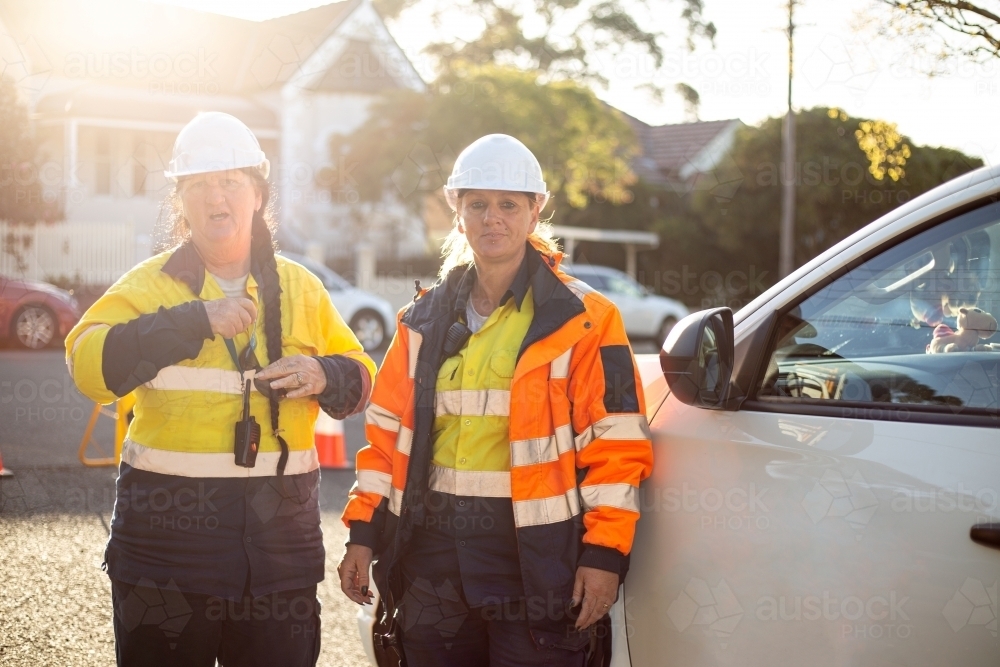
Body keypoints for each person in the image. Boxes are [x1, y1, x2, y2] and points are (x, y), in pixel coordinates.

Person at [65, 112, 376, 667]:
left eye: (231, 181)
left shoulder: (301, 286)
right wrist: (192, 321)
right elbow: (87, 366)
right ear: (180, 202)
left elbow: (362, 379)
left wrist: (327, 374)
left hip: (277, 556)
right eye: (200, 184)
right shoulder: (149, 283)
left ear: (257, 194)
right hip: (167, 554)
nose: (217, 197)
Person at [337, 134, 653, 666]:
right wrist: (363, 534)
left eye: (508, 204)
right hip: (431, 556)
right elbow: (385, 437)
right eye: (477, 204)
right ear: (456, 213)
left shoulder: (588, 320)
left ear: (536, 211)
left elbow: (616, 445)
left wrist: (604, 554)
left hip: (535, 563)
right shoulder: (422, 320)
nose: (492, 219)